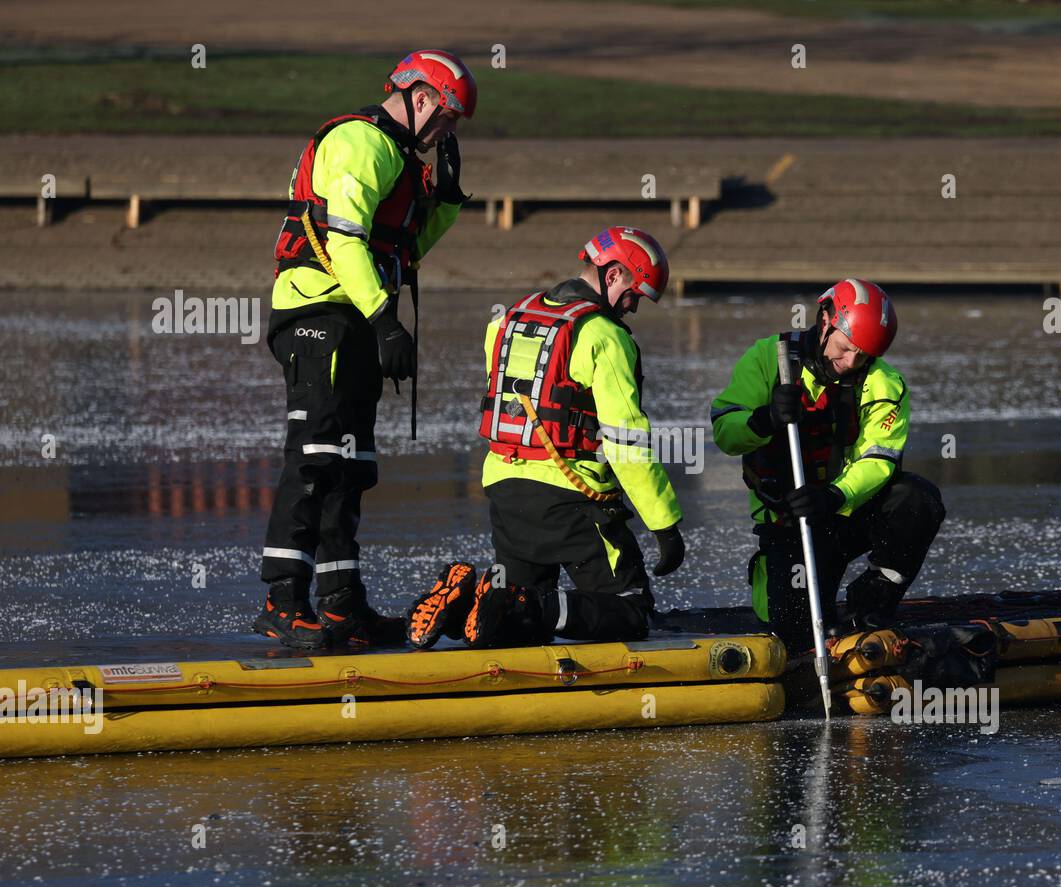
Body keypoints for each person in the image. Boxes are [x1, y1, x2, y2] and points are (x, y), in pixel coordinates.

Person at [254, 49, 476, 649]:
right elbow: (346, 243)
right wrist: (385, 320)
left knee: (350, 467)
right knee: (315, 458)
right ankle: (281, 600)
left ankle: (342, 608)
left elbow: (404, 250)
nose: (447, 132)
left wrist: (448, 202)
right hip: (320, 311)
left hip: (354, 318)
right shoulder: (361, 143)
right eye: (448, 117)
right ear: (422, 98)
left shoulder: (400, 157)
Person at [406, 227, 685, 650]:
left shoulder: (507, 320)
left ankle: (462, 602)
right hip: (572, 500)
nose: (634, 307)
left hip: (505, 494)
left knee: (512, 623)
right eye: (634, 293)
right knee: (630, 611)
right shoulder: (604, 337)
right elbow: (626, 441)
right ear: (612, 276)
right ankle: (529, 606)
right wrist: (664, 525)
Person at [710, 279, 945, 652]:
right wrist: (765, 419)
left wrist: (835, 495)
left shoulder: (885, 384)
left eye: (863, 356)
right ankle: (783, 593)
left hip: (843, 512)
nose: (850, 362)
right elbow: (725, 433)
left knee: (917, 499)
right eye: (845, 347)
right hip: (791, 525)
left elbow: (878, 460)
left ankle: (870, 607)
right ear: (825, 320)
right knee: (794, 634)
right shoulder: (768, 358)